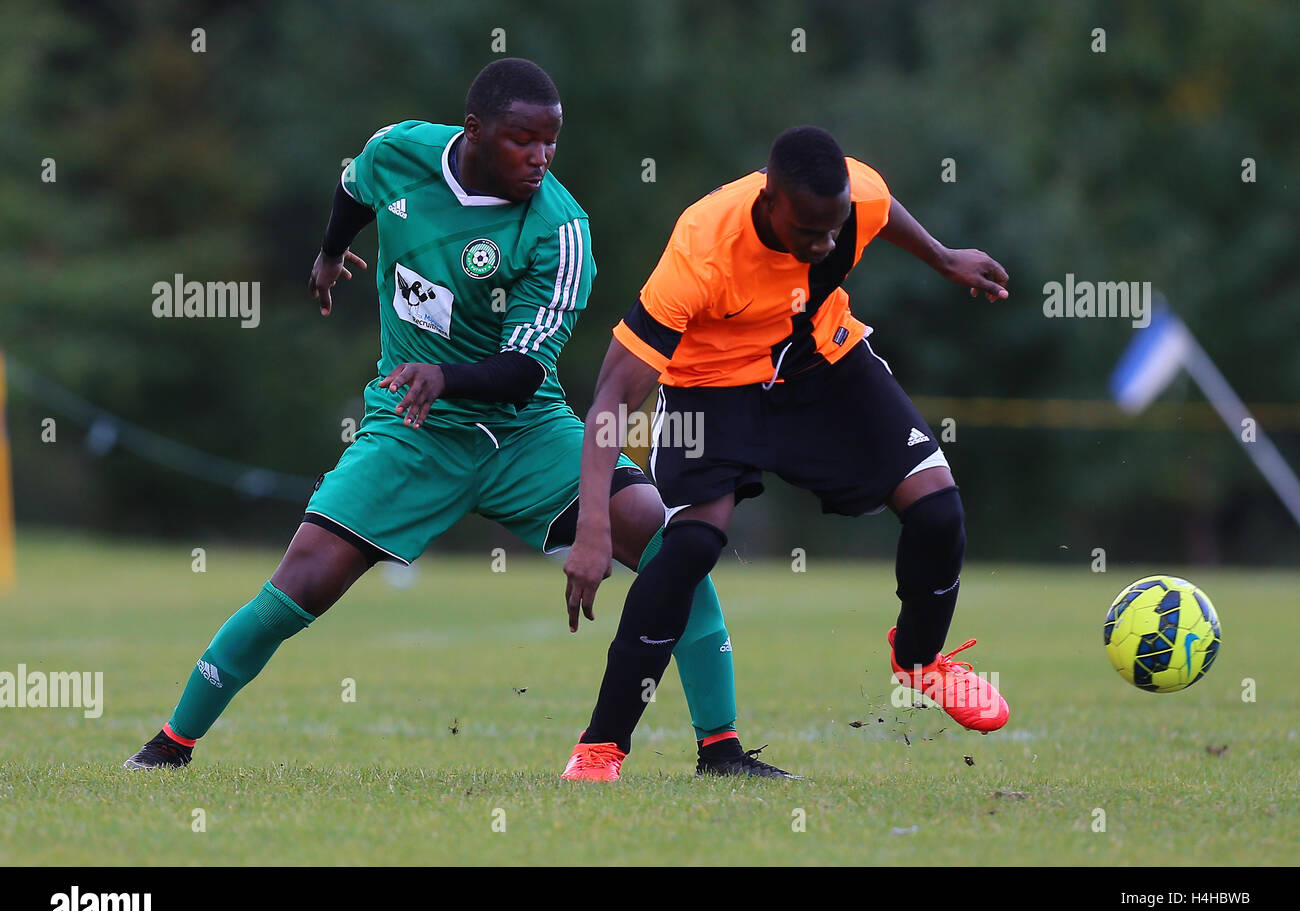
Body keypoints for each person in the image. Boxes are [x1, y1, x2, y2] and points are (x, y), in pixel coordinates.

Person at [123, 58, 795, 780]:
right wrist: (327, 254)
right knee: (302, 583)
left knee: (674, 547)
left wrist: (445, 375)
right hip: (412, 429)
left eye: (551, 142)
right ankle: (169, 745)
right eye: (522, 140)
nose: (540, 158)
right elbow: (354, 189)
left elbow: (525, 373)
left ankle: (721, 751)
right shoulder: (398, 152)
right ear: (473, 130)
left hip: (526, 433)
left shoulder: (560, 230)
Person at [560, 125, 1011, 781]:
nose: (825, 244)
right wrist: (595, 527)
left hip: (821, 363)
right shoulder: (702, 248)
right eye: (809, 232)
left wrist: (942, 257)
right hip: (713, 388)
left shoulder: (852, 201)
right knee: (689, 548)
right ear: (769, 200)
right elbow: (610, 399)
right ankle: (601, 748)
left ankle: (918, 661)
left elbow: (882, 213)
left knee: (939, 510)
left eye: (834, 230)